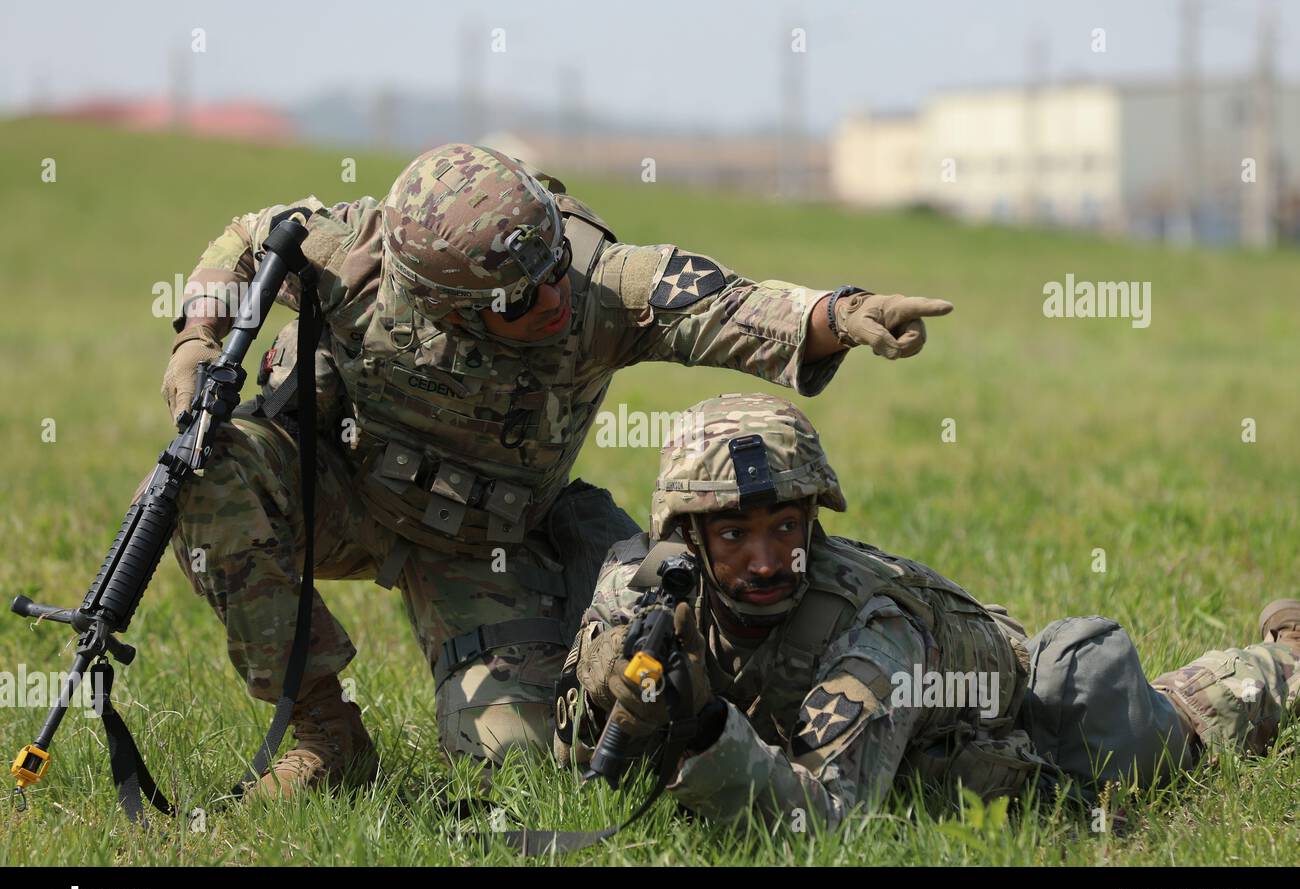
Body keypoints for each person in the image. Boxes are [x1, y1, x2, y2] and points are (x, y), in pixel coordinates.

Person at [158, 144, 955, 797]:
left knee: (520, 763)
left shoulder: (596, 287)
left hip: (482, 544)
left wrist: (839, 316)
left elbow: (720, 306)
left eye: (550, 269)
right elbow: (246, 239)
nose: (550, 297)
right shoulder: (358, 259)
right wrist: (197, 339)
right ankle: (327, 737)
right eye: (517, 298)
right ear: (443, 303)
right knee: (201, 467)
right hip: (333, 488)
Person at [558, 392, 1300, 827]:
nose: (766, 560)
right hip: (873, 739)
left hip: (1016, 710)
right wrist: (601, 685)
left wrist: (706, 734)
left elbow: (828, 822)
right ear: (681, 533)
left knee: (1126, 714)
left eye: (786, 528)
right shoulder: (640, 591)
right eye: (733, 534)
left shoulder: (868, 629)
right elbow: (574, 759)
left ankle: (1282, 659)